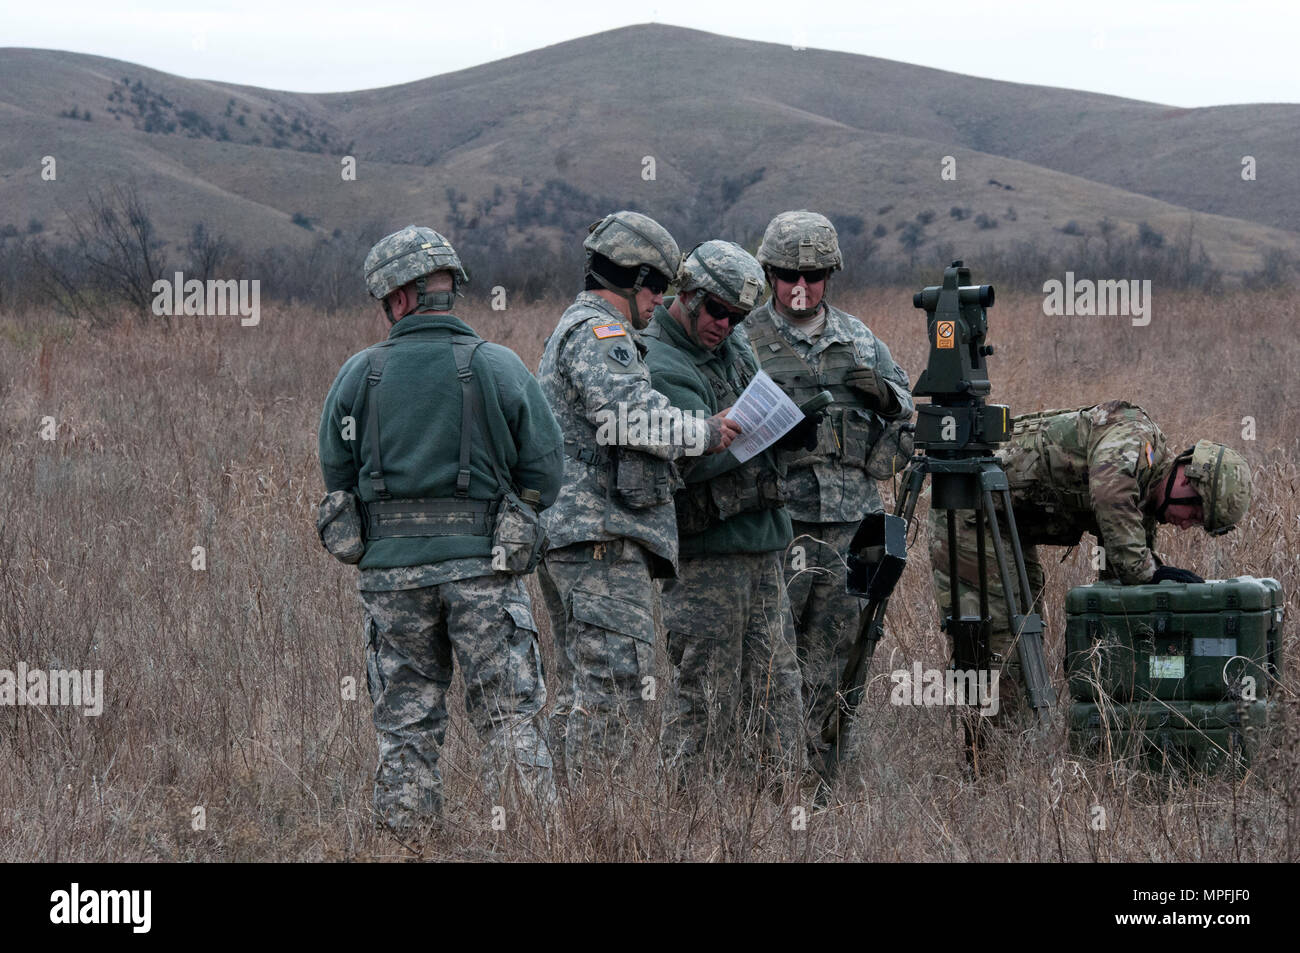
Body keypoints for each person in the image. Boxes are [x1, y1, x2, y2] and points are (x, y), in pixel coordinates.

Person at [317, 225, 564, 831]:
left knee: (405, 718)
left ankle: (406, 840)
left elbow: (336, 472)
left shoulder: (357, 376)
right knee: (508, 717)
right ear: (446, 291)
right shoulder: (498, 367)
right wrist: (514, 506)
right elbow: (546, 471)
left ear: (398, 299)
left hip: (390, 579)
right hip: (484, 569)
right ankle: (526, 840)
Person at [535, 210, 740, 777]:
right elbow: (628, 416)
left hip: (580, 534)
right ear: (632, 278)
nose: (658, 302)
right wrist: (705, 431)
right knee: (615, 689)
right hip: (598, 535)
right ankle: (595, 824)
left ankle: (561, 818)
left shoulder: (582, 327)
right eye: (656, 287)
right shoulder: (600, 333)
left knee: (586, 685)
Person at [929, 400, 1253, 728]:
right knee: (998, 640)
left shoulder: (1143, 496)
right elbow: (1110, 497)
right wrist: (1148, 573)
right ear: (1186, 479)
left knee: (1026, 627)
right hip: (968, 507)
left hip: (1006, 522)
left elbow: (1123, 589)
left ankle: (1011, 740)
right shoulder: (1134, 437)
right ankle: (986, 758)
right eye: (1194, 515)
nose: (1185, 525)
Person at [743, 210, 915, 777]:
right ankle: (769, 777)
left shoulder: (859, 338)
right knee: (770, 657)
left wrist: (888, 400)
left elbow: (908, 414)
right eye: (789, 274)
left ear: (829, 277)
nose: (801, 287)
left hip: (850, 524)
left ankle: (822, 779)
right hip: (778, 523)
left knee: (838, 655)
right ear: (770, 274)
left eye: (813, 276)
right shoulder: (745, 340)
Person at [641, 240, 807, 783]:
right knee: (706, 696)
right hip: (706, 556)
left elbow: (755, 413)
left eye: (737, 316)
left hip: (762, 544)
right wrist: (724, 432)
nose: (725, 325)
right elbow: (681, 461)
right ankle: (691, 818)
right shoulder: (657, 361)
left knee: (775, 690)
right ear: (685, 295)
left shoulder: (734, 349)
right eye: (716, 310)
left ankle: (779, 813)